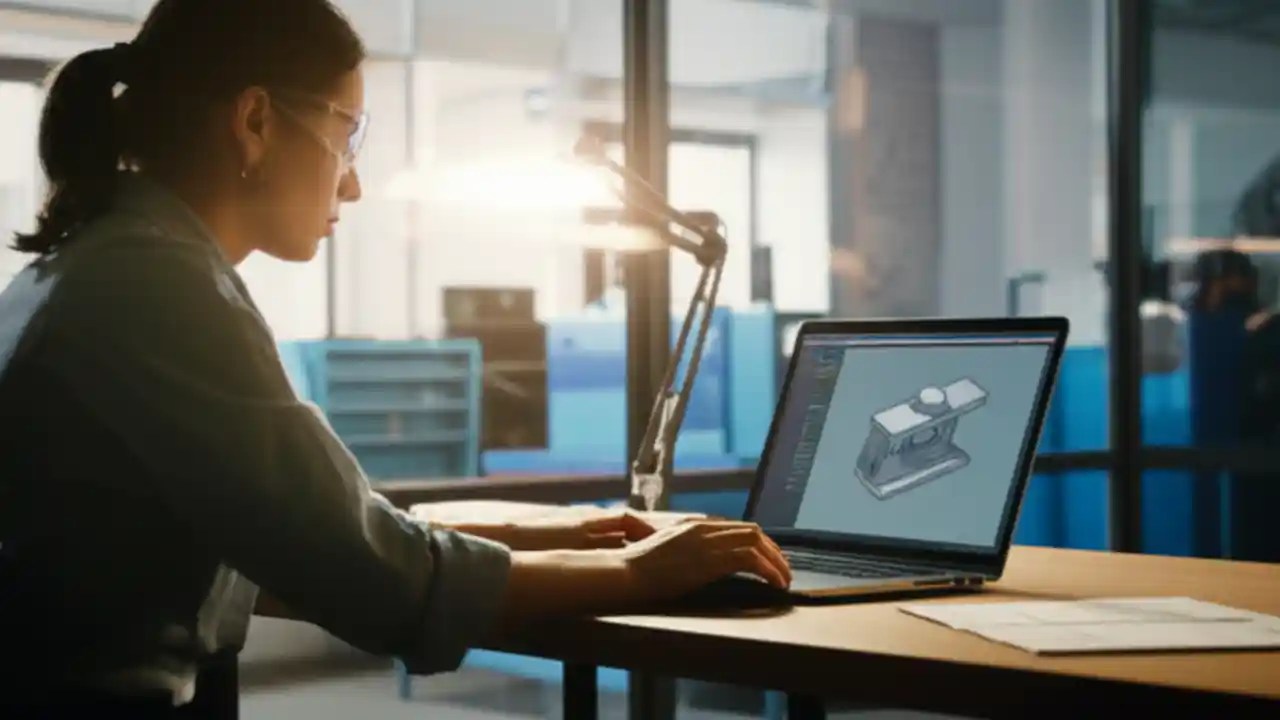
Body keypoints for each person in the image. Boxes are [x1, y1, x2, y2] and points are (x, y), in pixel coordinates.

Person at [0, 1, 790, 716]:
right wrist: (641, 573)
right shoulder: (158, 286)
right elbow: (376, 577)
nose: (353, 185)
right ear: (255, 121)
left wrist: (555, 539)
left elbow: (304, 529)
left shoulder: (102, 262)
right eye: (348, 135)